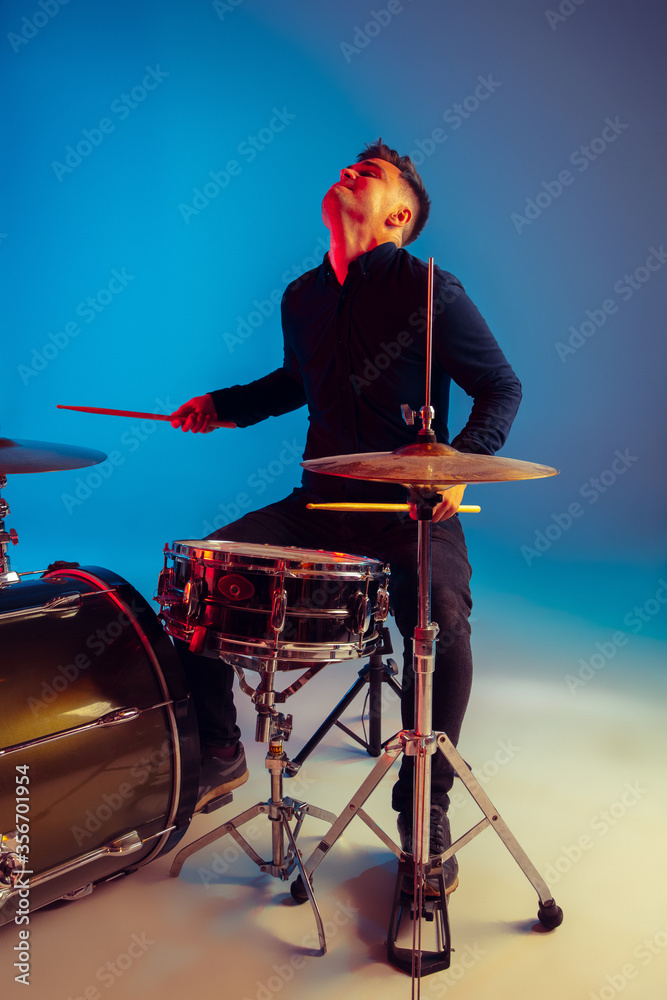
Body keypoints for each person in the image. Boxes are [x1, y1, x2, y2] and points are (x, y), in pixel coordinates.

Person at [170, 139, 522, 893]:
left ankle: (423, 802)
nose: (347, 173)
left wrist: (458, 467)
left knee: (443, 619)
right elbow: (295, 382)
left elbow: (500, 385)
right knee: (200, 576)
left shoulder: (429, 287)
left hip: (408, 511)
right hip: (318, 506)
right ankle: (221, 749)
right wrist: (222, 406)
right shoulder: (302, 296)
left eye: (370, 174)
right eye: (346, 167)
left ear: (399, 215)